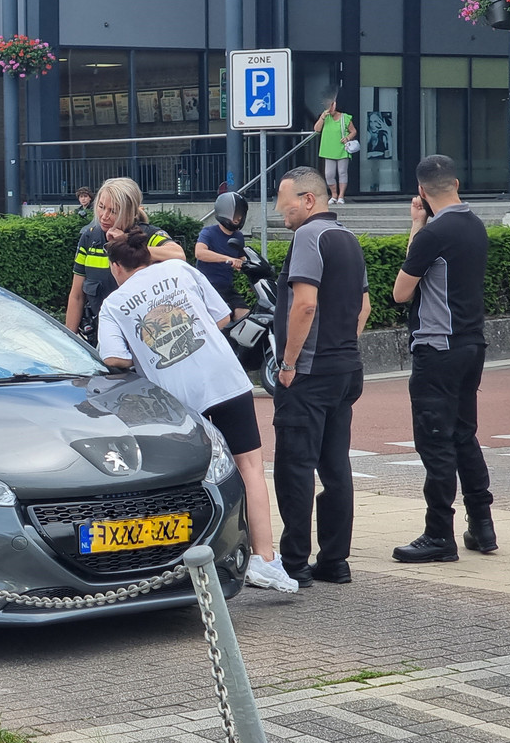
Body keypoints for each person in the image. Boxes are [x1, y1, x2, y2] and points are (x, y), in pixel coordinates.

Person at [98, 227, 297, 594]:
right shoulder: (183, 271)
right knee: (250, 468)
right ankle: (264, 559)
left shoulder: (114, 303)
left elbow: (115, 357)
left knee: (186, 478)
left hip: (178, 399)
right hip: (226, 380)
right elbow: (221, 318)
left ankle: (185, 558)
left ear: (116, 267)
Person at [390, 154, 495, 563]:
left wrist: (418, 226)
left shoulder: (436, 234)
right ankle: (482, 527)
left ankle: (439, 535)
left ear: (421, 191)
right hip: (472, 345)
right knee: (464, 434)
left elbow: (401, 292)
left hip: (438, 348)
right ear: (456, 184)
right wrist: (421, 224)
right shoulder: (474, 225)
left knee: (435, 442)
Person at [272, 167, 371, 587]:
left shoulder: (309, 237)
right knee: (335, 466)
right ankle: (335, 560)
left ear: (309, 200)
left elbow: (304, 304)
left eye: (284, 201)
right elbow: (364, 306)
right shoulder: (347, 238)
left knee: (295, 466)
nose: (280, 211)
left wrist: (289, 363)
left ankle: (294, 561)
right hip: (345, 369)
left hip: (309, 374)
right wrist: (342, 345)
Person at [63, 177, 185, 345]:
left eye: (113, 211)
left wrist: (129, 244)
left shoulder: (147, 235)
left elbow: (178, 255)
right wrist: (69, 343)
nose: (104, 216)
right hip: (99, 338)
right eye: (101, 207)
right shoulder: (89, 237)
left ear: (130, 212)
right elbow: (76, 296)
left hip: (144, 340)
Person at [194, 191, 251, 321]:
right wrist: (228, 259)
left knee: (245, 316)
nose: (238, 218)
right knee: (223, 319)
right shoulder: (208, 232)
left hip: (226, 288)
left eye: (240, 215)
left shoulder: (238, 236)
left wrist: (250, 268)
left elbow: (241, 258)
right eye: (235, 214)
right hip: (207, 288)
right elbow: (200, 253)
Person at [313, 99, 357, 204]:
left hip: (341, 149)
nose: (329, 108)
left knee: (342, 172)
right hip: (328, 149)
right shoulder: (325, 117)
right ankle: (334, 195)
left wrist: (347, 138)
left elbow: (353, 131)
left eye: (332, 105)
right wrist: (322, 117)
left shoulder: (345, 117)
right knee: (329, 174)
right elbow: (317, 129)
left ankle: (341, 196)